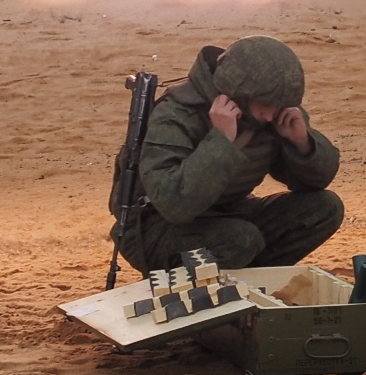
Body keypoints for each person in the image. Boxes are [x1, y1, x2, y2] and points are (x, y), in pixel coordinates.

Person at [118, 35, 345, 273]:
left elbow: (316, 182)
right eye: (265, 105)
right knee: (239, 241)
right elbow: (173, 205)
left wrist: (303, 143)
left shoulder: (275, 110)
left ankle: (249, 283)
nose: (270, 115)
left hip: (227, 214)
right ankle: (188, 286)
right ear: (239, 94)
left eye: (278, 106)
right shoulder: (176, 115)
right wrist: (221, 140)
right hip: (155, 230)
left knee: (324, 208)